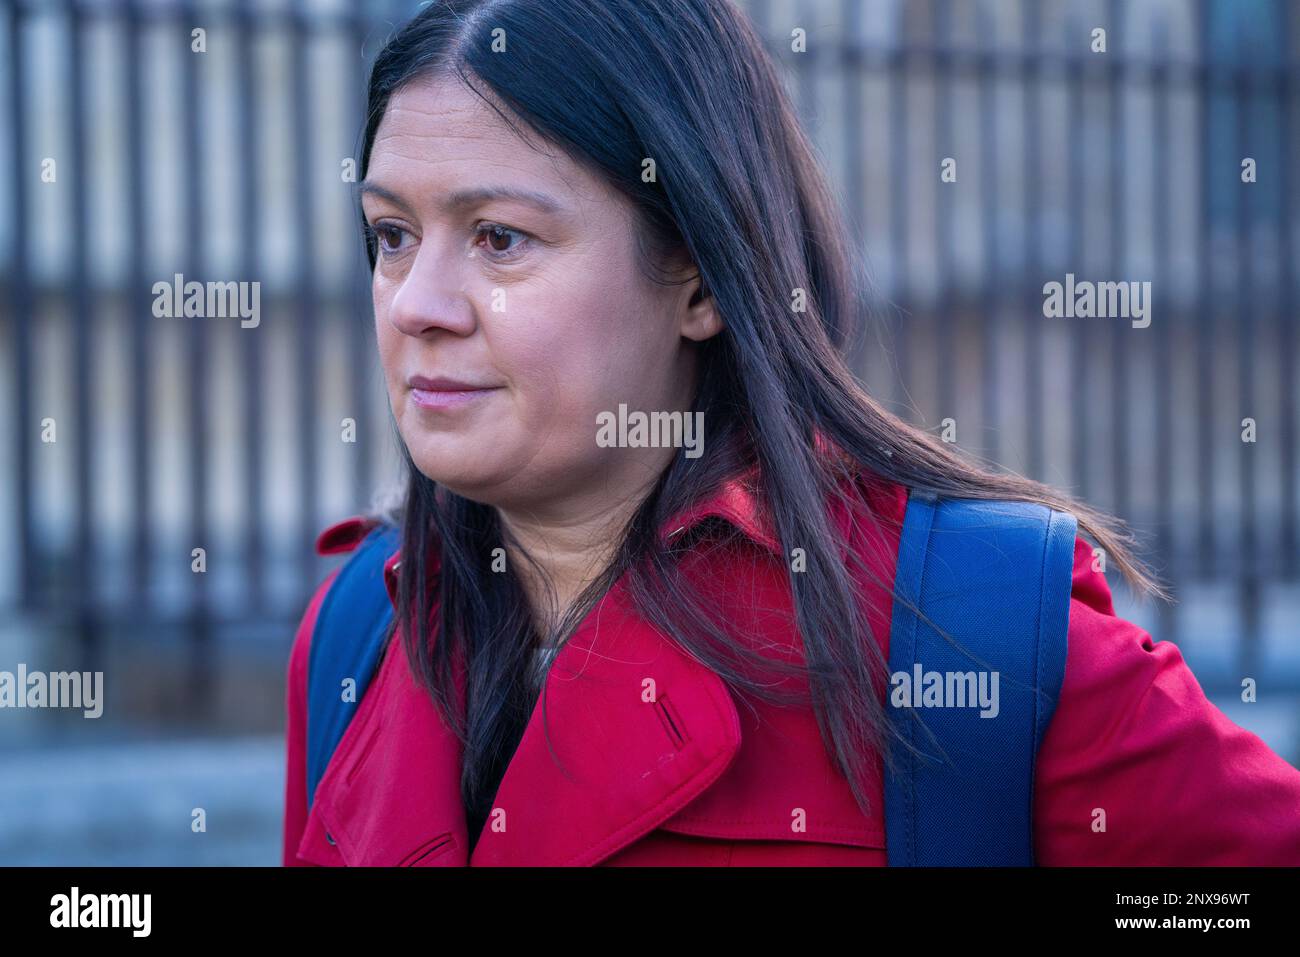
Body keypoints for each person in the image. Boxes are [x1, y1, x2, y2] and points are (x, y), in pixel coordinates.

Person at [282, 0, 1300, 866]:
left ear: (696, 276)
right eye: (391, 237)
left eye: (500, 239)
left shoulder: (960, 636)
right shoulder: (353, 637)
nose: (417, 303)